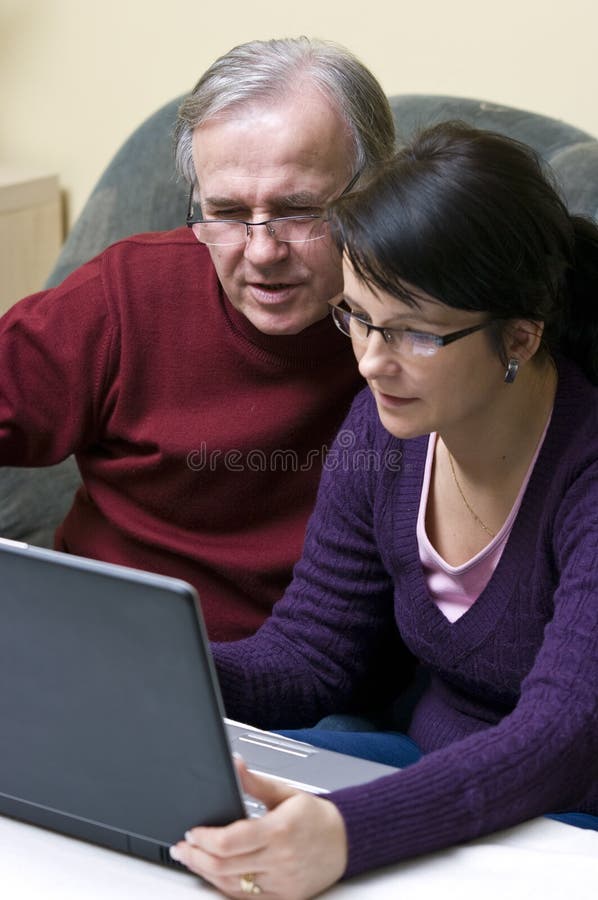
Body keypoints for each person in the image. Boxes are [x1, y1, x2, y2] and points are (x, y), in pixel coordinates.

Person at [169, 122, 598, 898]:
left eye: (411, 334)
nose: (371, 362)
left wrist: (349, 833)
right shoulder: (387, 429)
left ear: (519, 337)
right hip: (430, 777)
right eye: (357, 317)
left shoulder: (586, 471)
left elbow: (564, 737)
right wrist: (157, 669)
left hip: (570, 823)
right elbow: (311, 655)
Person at [0, 38, 395, 640]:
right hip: (92, 641)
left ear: (376, 195)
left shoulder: (426, 332)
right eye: (227, 213)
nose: (261, 253)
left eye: (297, 210)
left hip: (307, 671)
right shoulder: (125, 295)